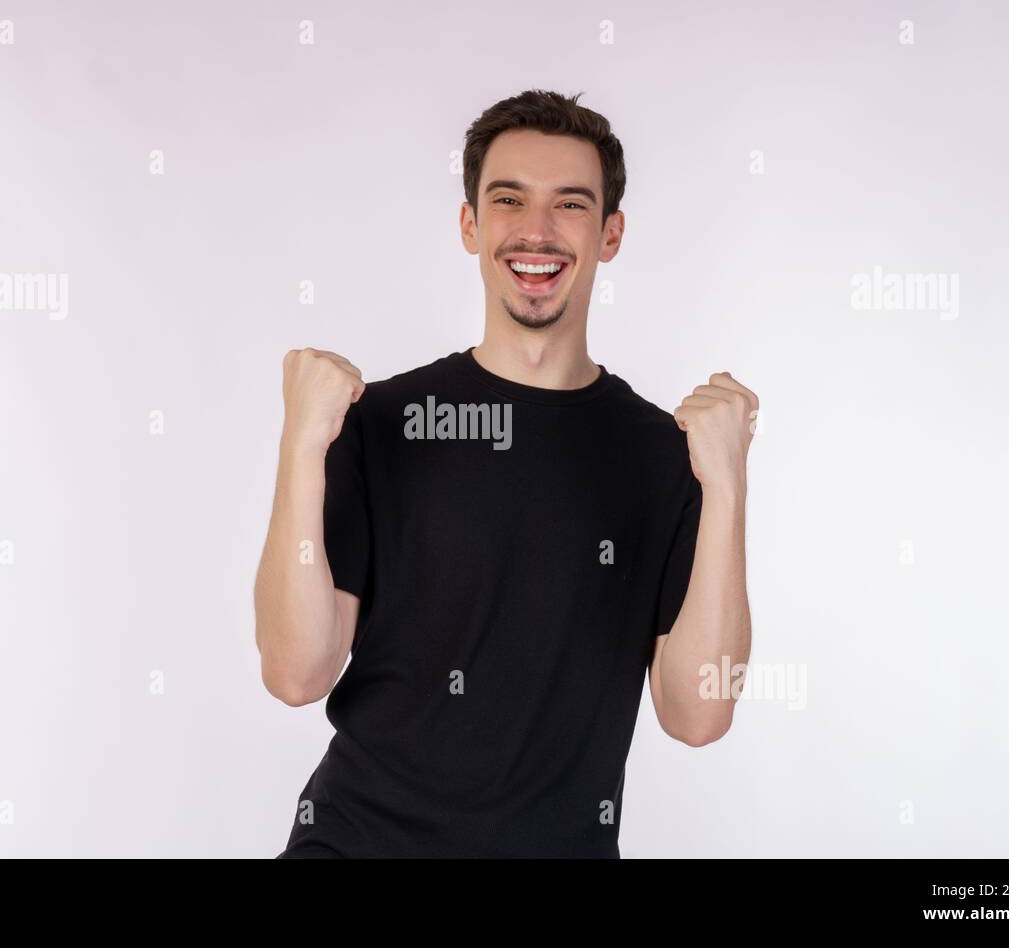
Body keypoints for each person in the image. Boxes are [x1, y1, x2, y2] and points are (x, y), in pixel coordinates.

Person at [255, 89, 757, 858]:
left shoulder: (666, 454)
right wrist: (300, 446)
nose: (537, 231)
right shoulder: (380, 423)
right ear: (470, 224)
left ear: (611, 234)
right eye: (509, 199)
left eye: (571, 205)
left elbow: (699, 716)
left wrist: (727, 489)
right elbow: (295, 672)